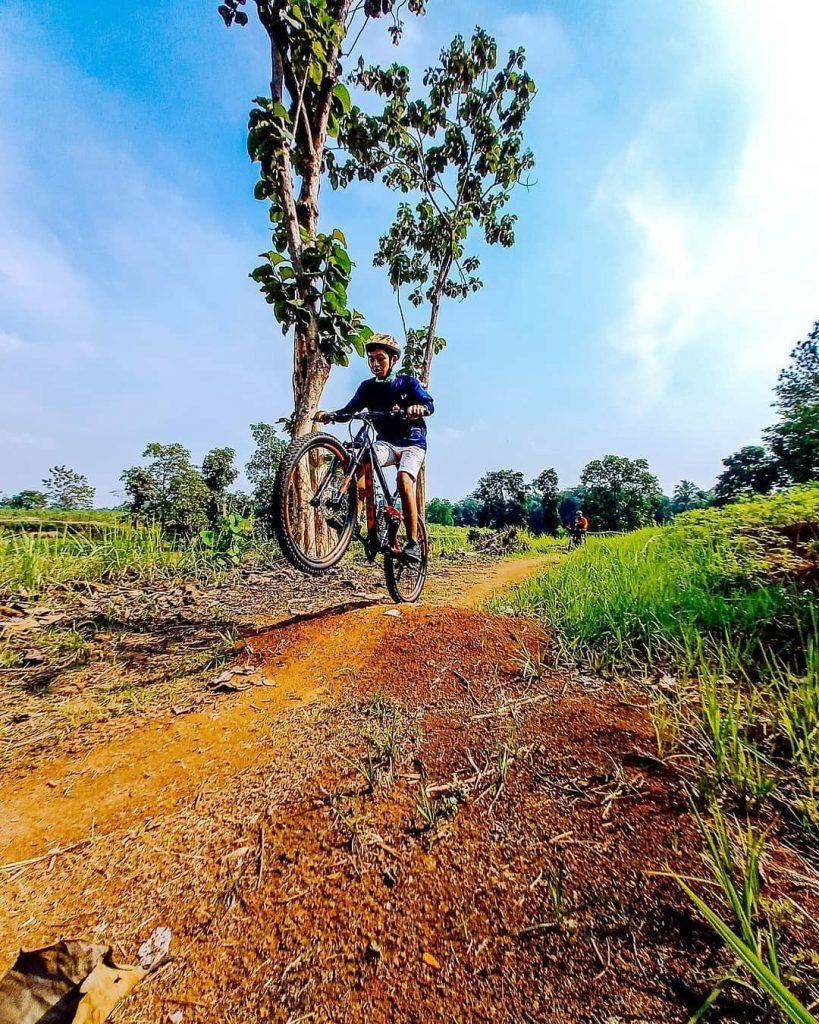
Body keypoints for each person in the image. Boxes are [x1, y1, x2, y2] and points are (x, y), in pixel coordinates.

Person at [314, 333, 433, 562]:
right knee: (360, 460)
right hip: (386, 442)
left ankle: (413, 542)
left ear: (393, 360)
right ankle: (353, 519)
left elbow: (429, 404)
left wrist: (419, 408)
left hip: (412, 442)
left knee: (403, 479)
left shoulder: (407, 383)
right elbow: (349, 410)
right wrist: (331, 416)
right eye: (371, 360)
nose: (376, 364)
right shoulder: (367, 387)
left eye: (381, 358)